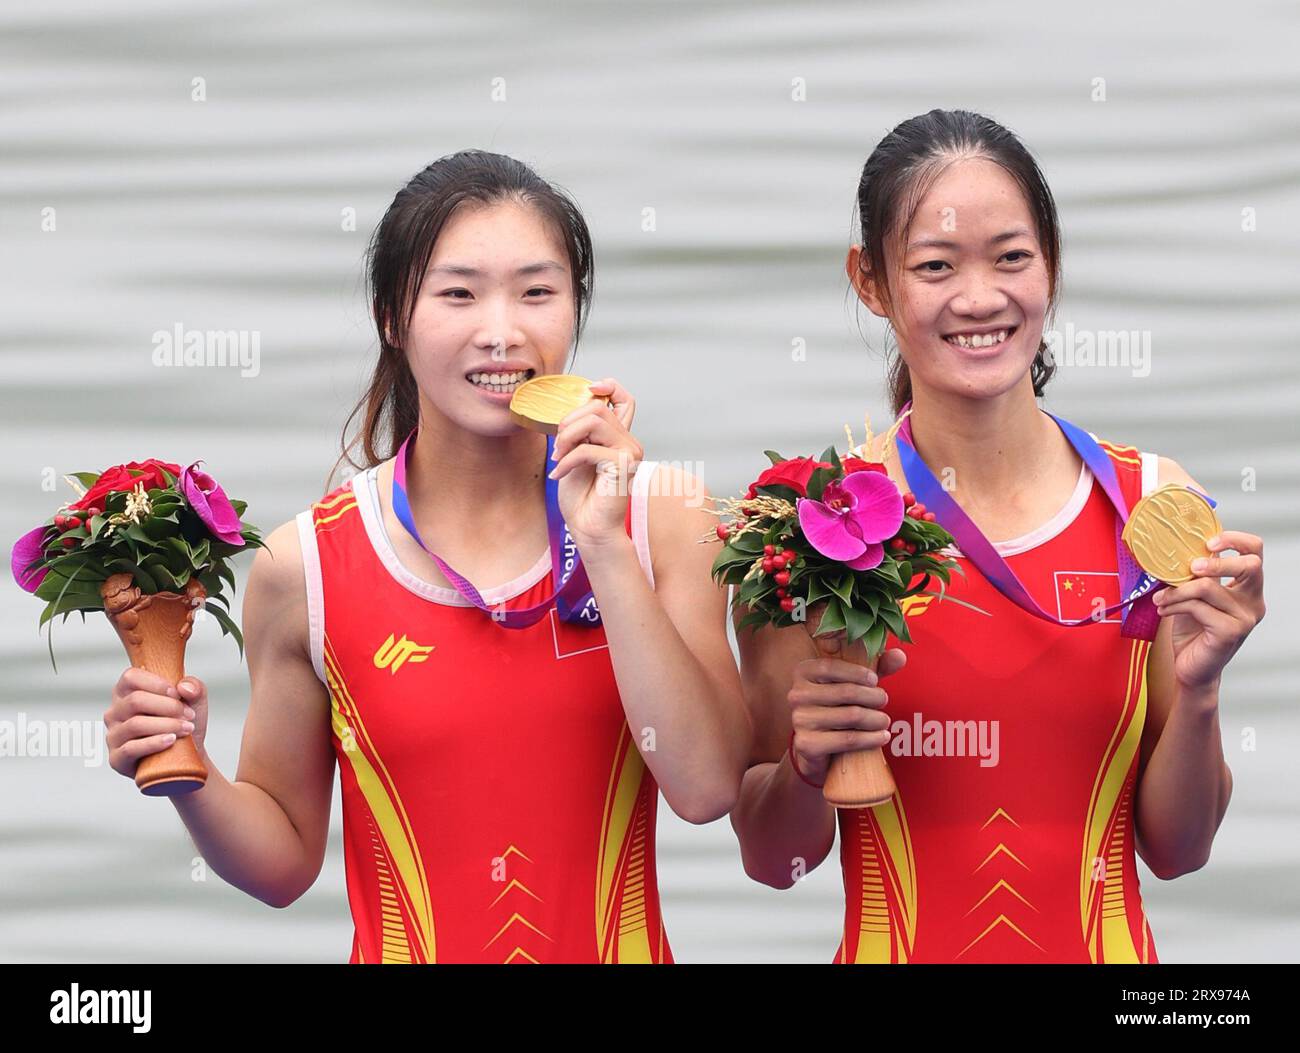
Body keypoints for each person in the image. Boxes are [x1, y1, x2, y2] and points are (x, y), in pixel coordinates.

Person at [104, 150, 749, 963]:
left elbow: (706, 789)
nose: (502, 331)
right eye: (458, 292)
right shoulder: (306, 566)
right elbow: (283, 863)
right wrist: (189, 772)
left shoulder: (662, 519)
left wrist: (602, 546)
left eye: (538, 291)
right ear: (391, 316)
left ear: (574, 311)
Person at [728, 110, 1265, 963]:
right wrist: (805, 762)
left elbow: (1180, 850)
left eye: (1012, 257)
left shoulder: (1152, 506)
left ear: (1051, 264)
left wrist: (1199, 693)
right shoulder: (804, 528)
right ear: (870, 282)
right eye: (935, 266)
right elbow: (773, 861)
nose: (979, 299)